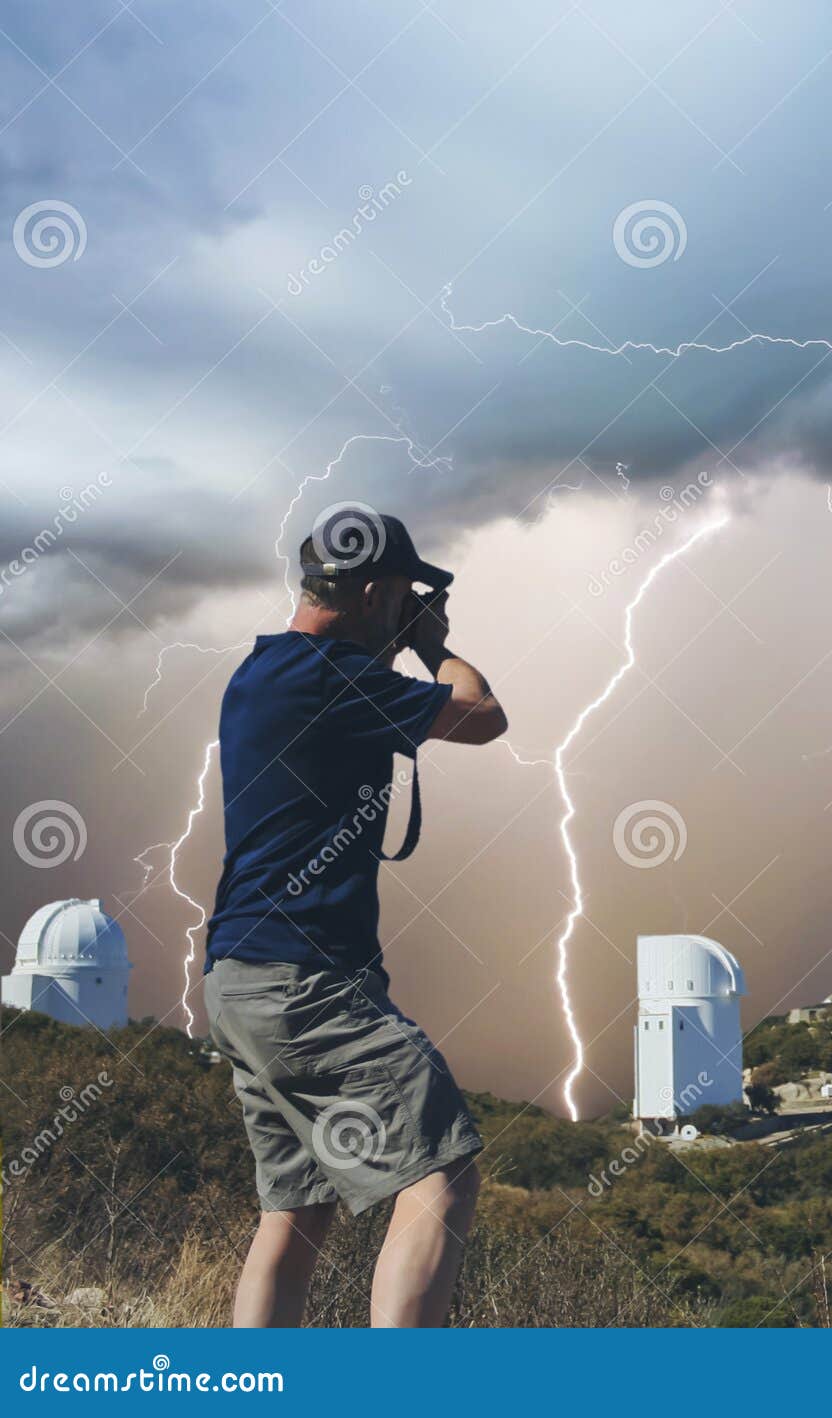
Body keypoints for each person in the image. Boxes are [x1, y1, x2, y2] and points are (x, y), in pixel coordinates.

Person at [203, 508, 507, 1327]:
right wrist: (431, 646)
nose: (410, 606)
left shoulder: (263, 671)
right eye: (403, 594)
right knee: (441, 1168)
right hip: (306, 983)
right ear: (373, 593)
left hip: (240, 980)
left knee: (296, 1210)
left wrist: (392, 641)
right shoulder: (331, 677)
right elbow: (483, 715)